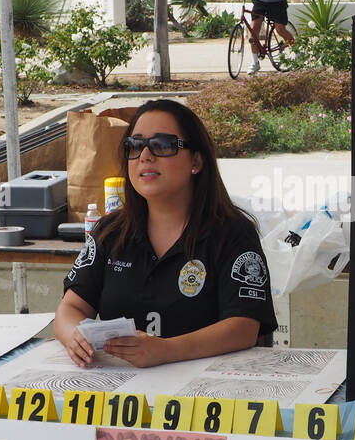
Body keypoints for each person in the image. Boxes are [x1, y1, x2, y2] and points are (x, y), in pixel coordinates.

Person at [54, 98, 276, 368]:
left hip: (203, 394)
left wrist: (166, 350)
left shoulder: (232, 233)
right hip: (122, 393)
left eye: (162, 145)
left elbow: (244, 327)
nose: (145, 156)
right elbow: (71, 308)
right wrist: (74, 337)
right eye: (134, 146)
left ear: (196, 161)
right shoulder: (109, 233)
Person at [247, 0, 295, 74]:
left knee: (280, 30)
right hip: (259, 0)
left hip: (277, 1)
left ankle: (297, 51)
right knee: (253, 31)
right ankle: (255, 62)